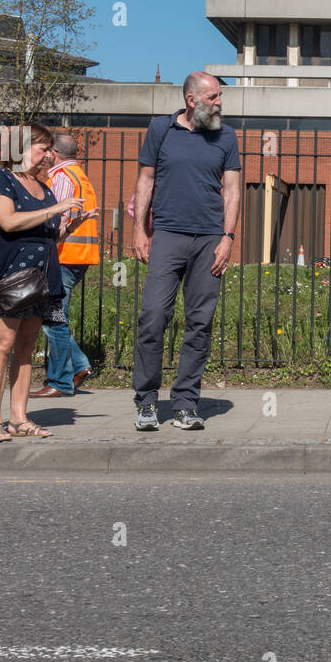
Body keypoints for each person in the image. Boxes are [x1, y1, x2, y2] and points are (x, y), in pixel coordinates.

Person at [131, 72, 241, 431]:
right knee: (152, 317)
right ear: (192, 100)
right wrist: (139, 229)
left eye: (220, 96)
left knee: (200, 323)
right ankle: (146, 401)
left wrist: (227, 238)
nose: (219, 103)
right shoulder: (161, 130)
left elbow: (233, 190)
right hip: (167, 234)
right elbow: (146, 180)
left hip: (210, 240)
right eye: (213, 97)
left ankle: (185, 403)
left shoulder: (225, 135)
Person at [0, 123, 92, 442]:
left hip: (42, 278)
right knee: (2, 345)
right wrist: (56, 208)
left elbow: (49, 237)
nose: (48, 155)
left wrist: (71, 226)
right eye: (43, 148)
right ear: (22, 148)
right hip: (13, 275)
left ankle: (19, 418)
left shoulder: (45, 188)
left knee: (27, 348)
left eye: (49, 150)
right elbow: (9, 222)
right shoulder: (1, 179)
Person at [30, 133, 100, 399]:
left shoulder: (61, 178)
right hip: (78, 257)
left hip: (62, 256)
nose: (46, 155)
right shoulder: (80, 176)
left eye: (49, 151)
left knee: (54, 321)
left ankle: (60, 381)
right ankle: (79, 367)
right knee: (54, 318)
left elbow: (55, 219)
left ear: (55, 154)